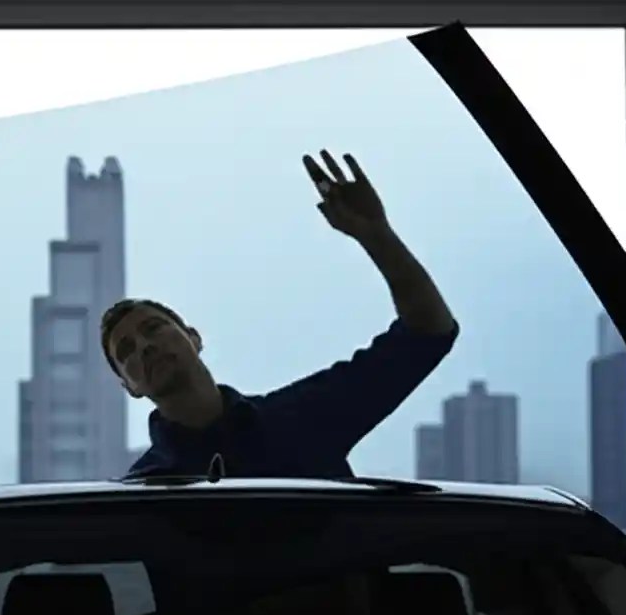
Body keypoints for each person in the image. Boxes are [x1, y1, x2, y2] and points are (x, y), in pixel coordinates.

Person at [102, 150, 458, 479]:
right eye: (126, 351)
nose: (144, 347)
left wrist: (377, 235)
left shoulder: (304, 417)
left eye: (153, 328)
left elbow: (428, 333)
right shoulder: (138, 494)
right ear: (128, 387)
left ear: (193, 337)